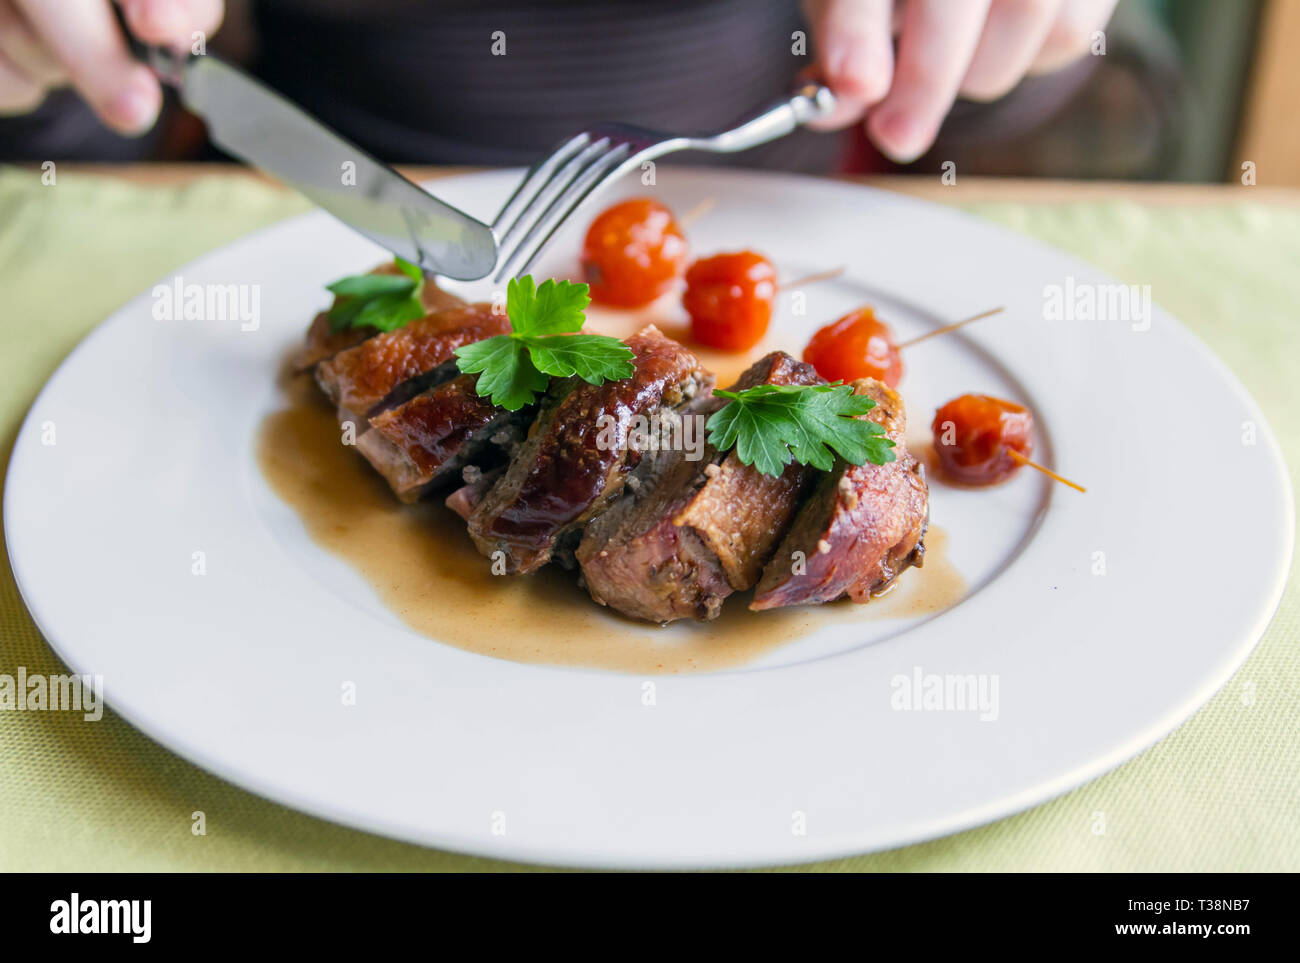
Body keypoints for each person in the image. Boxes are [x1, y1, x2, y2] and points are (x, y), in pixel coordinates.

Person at [0, 0, 1118, 167]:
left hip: (795, 212)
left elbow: (1090, 107)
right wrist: (54, 67)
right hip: (292, 197)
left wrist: (990, 48)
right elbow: (89, 164)